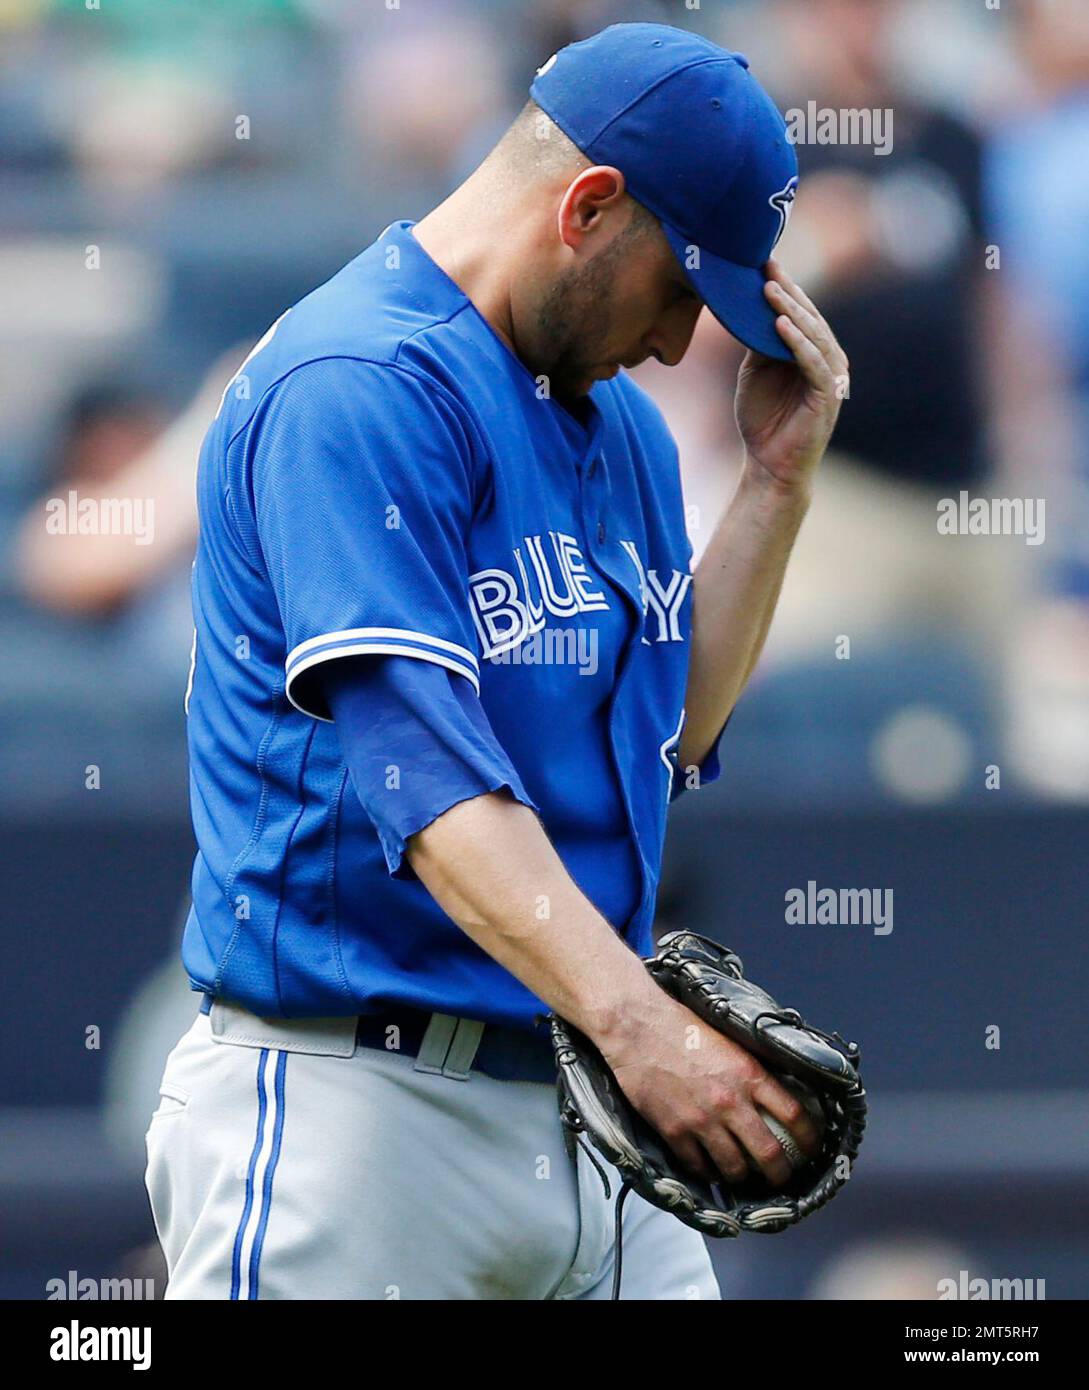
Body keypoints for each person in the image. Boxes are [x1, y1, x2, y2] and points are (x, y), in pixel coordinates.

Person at [145, 23, 847, 1301]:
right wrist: (644, 1031)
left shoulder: (614, 425)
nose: (684, 344)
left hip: (589, 1110)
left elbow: (666, 737)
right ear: (588, 207)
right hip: (361, 1106)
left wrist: (773, 489)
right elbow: (427, 781)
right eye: (684, 292)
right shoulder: (356, 381)